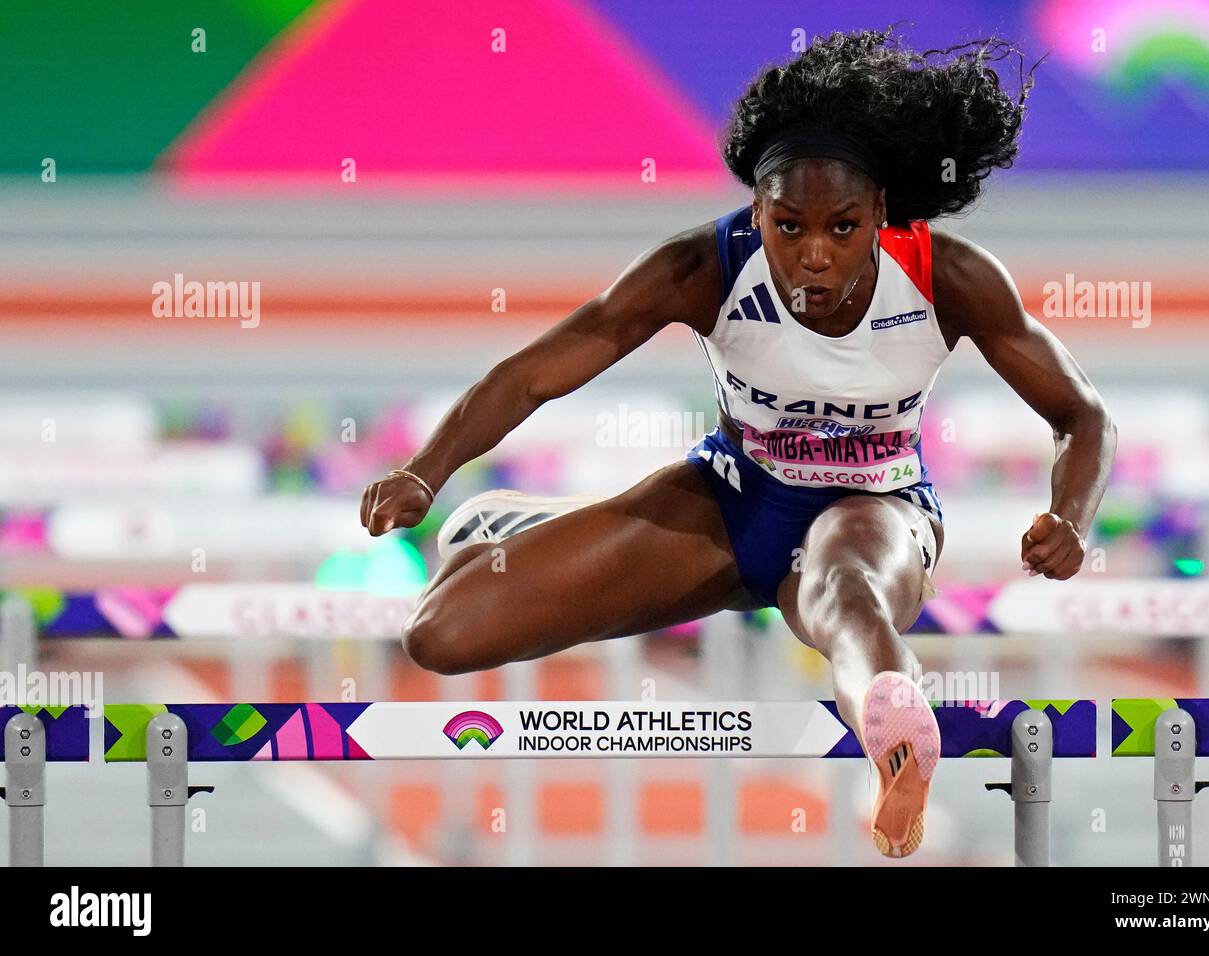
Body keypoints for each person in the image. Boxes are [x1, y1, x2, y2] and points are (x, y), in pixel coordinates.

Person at [360, 29, 1116, 858]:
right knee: (441, 637)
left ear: (882, 217)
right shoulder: (706, 268)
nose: (813, 258)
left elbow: (1082, 415)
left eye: (843, 227)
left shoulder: (949, 277)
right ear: (757, 212)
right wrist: (424, 471)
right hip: (726, 501)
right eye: (789, 226)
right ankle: (520, 528)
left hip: (878, 504)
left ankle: (898, 741)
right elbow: (538, 371)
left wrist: (1071, 517)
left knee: (847, 585)